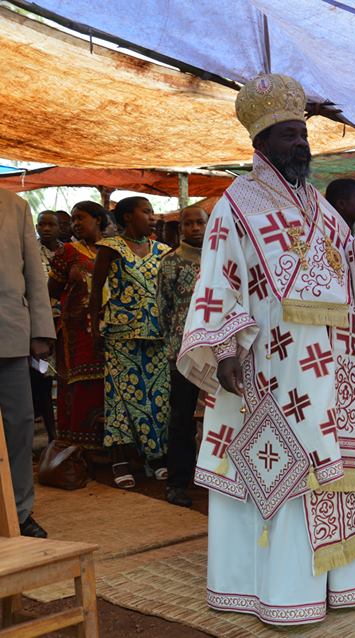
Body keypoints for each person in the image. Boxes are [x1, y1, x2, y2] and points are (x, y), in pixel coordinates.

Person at [177, 74, 355, 624]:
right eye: (287, 134)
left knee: (337, 466)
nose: (301, 143)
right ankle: (279, 592)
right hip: (274, 366)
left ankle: (349, 583)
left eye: (303, 133)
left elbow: (346, 268)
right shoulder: (235, 205)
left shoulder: (321, 208)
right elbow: (218, 279)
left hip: (335, 368)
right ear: (261, 143)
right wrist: (224, 350)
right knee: (284, 472)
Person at [90, 196, 171, 488]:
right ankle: (119, 459)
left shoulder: (162, 250)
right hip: (120, 335)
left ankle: (155, 457)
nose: (152, 217)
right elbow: (96, 288)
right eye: (146, 212)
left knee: (157, 398)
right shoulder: (110, 248)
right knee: (121, 399)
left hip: (157, 335)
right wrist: (94, 329)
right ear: (127, 217)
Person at [0, 191, 55, 538]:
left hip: (10, 333)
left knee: (19, 427)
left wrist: (41, 331)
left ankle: (19, 513)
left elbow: (35, 275)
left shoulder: (15, 205)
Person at [157, 206, 207, 508]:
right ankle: (177, 482)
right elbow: (163, 308)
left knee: (224, 414)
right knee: (182, 417)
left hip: (221, 349)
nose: (194, 228)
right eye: (188, 224)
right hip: (184, 350)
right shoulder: (171, 262)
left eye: (199, 222)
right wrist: (174, 344)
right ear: (181, 229)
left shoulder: (222, 257)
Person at [48, 201, 108, 448]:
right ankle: (76, 449)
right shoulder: (68, 252)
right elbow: (51, 291)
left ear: (98, 220)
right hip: (76, 335)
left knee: (106, 384)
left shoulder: (114, 249)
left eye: (80, 218)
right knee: (80, 386)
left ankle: (109, 447)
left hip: (109, 331)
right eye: (73, 219)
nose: (75, 224)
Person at [32, 210, 61, 444]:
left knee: (65, 382)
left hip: (68, 328)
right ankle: (52, 436)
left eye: (52, 224)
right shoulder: (30, 251)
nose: (47, 228)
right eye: (42, 224)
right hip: (43, 329)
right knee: (42, 378)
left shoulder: (68, 251)